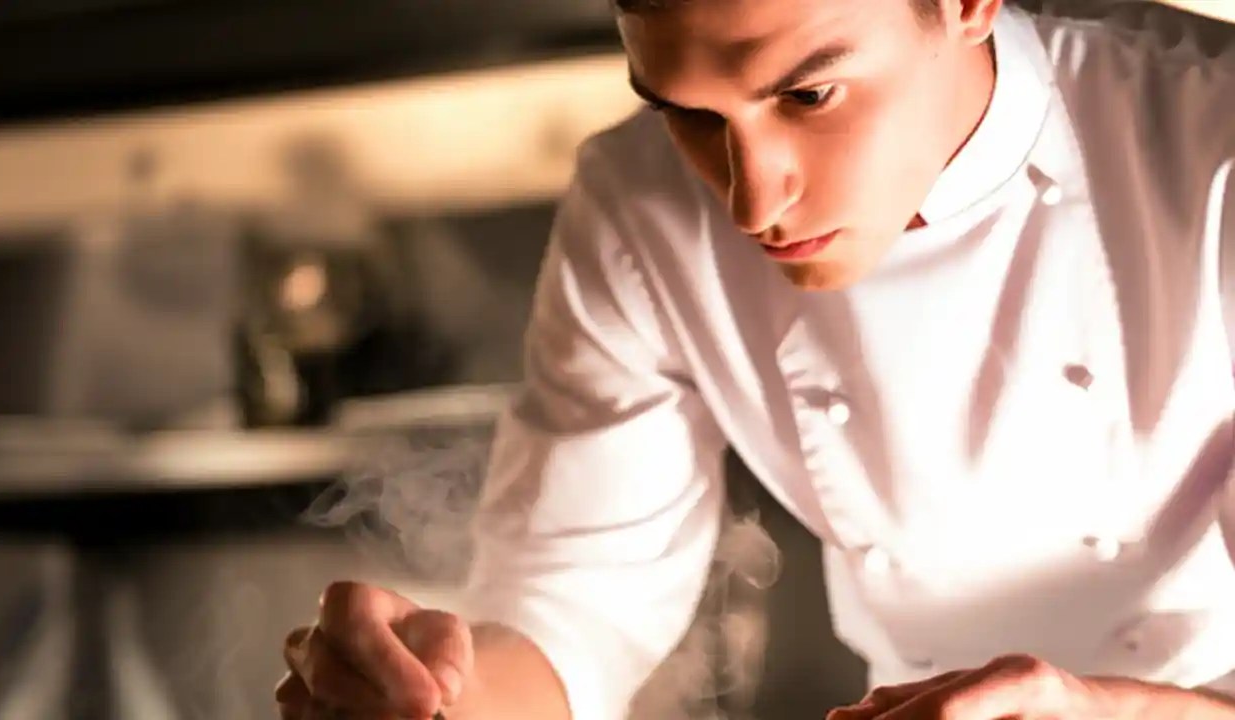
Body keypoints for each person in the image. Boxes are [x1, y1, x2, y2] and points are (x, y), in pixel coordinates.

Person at [276, 0, 1235, 717]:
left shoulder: (1211, 142)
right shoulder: (636, 208)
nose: (750, 201)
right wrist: (435, 693)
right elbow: (571, 610)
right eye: (689, 114)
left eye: (809, 93)